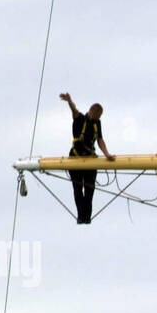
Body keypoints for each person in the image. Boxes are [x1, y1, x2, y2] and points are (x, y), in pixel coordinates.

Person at [59, 92, 115, 223]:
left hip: (90, 159)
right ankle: (81, 217)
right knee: (78, 190)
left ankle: (87, 218)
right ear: (89, 112)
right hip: (76, 159)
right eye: (94, 116)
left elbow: (100, 139)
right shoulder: (80, 119)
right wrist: (69, 101)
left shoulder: (97, 123)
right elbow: (74, 110)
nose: (95, 119)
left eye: (98, 117)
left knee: (89, 191)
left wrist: (107, 154)